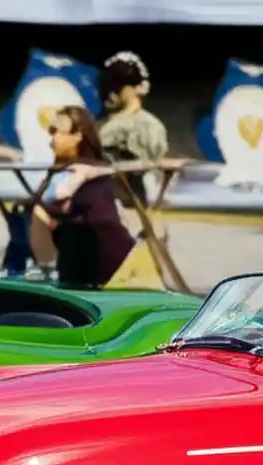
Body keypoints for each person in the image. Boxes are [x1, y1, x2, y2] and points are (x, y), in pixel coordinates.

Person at [35, 106, 136, 289]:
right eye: (51, 133)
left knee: (38, 213)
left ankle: (44, 269)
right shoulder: (63, 170)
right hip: (77, 257)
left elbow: (61, 202)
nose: (52, 140)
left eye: (58, 133)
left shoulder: (87, 172)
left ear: (78, 136)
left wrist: (44, 209)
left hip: (97, 266)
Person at [98, 50, 168, 207]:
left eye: (119, 84)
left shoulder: (148, 125)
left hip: (134, 201)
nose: (111, 92)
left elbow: (154, 167)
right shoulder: (106, 124)